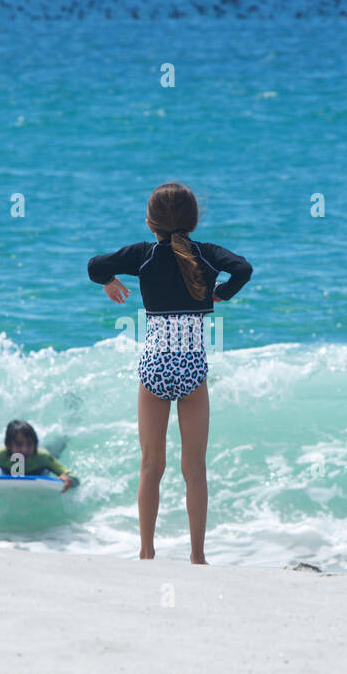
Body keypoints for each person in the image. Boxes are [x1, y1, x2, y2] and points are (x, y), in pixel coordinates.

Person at [86, 181, 252, 564]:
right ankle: (197, 555)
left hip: (156, 367)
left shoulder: (143, 255)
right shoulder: (207, 255)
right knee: (194, 467)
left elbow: (95, 266)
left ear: (150, 223)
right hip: (192, 368)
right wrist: (222, 294)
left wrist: (110, 283)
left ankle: (146, 552)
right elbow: (243, 268)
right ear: (193, 220)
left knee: (151, 465)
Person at [0, 420, 76, 492]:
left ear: (35, 444)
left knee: (59, 446)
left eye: (29, 444)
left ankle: (70, 426)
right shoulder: (1, 455)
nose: (25, 449)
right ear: (8, 445)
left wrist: (68, 479)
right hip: (10, 471)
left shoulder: (42, 456)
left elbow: (72, 477)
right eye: (19, 445)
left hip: (40, 470)